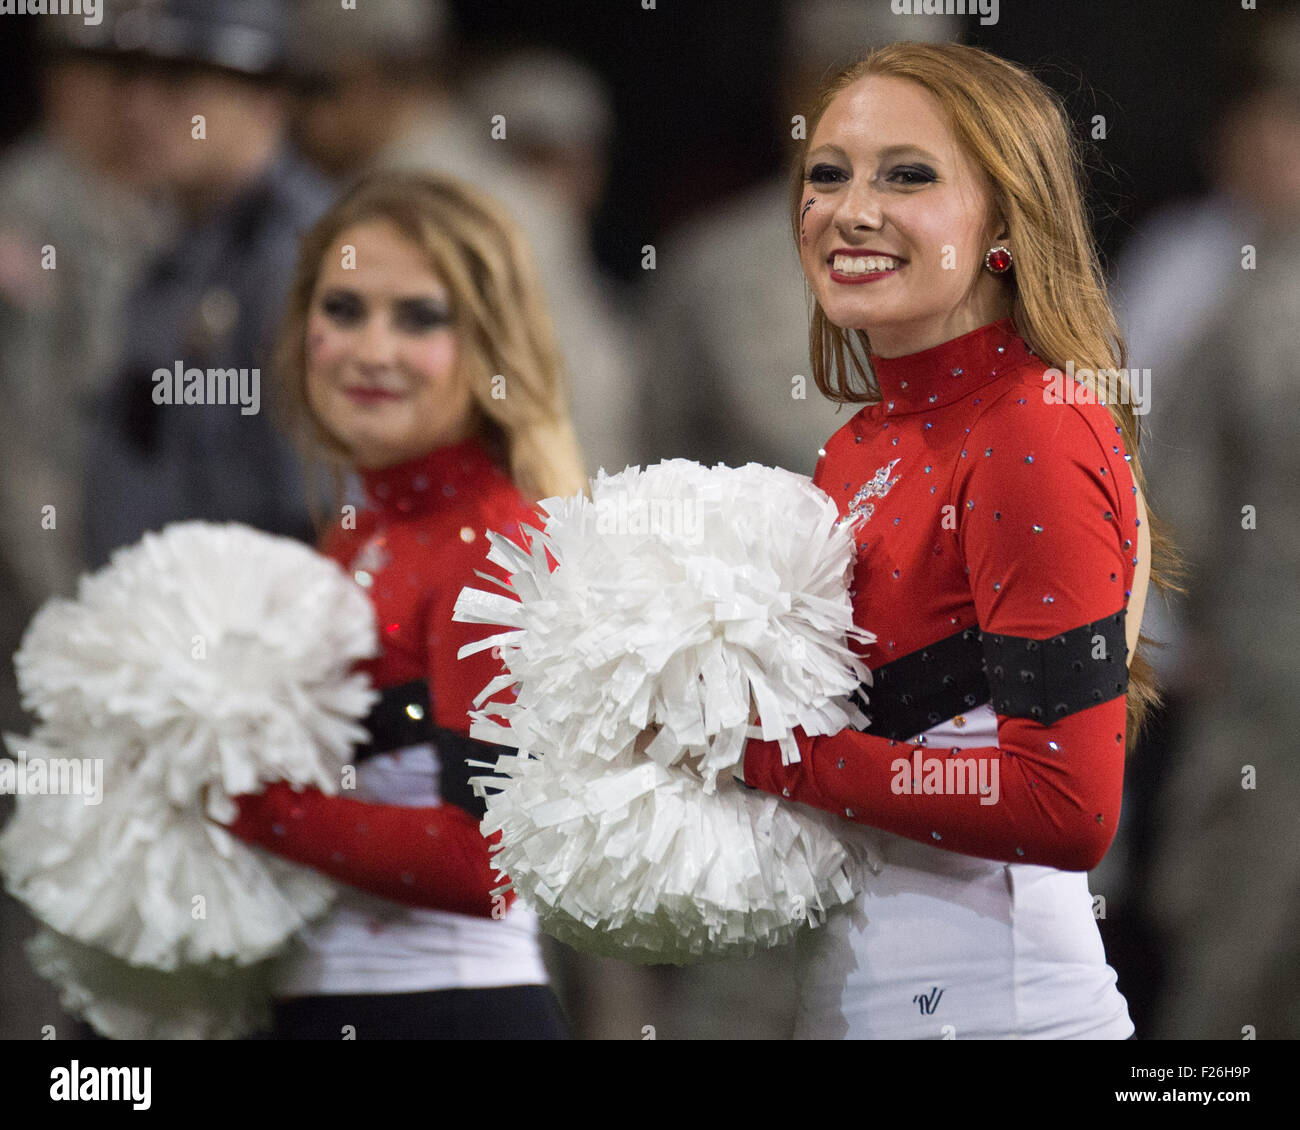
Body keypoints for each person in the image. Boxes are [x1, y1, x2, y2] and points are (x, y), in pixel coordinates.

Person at [735, 42, 1178, 1039]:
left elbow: (1064, 807)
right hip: (862, 1000)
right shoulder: (856, 445)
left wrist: (765, 753)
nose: (851, 208)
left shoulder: (1034, 424)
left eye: (909, 175)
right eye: (827, 173)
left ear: (1006, 223)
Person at [211, 171, 584, 1040]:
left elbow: (490, 862)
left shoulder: (494, 542)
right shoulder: (353, 533)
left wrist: (241, 803)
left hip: (446, 1012)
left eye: (419, 317)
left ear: (491, 344)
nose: (370, 349)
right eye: (343, 309)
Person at [82, 0, 333, 569]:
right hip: (158, 622)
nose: (139, 108)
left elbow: (322, 509)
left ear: (264, 99)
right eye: (132, 79)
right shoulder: (182, 234)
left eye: (177, 83)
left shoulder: (301, 256)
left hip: (254, 637)